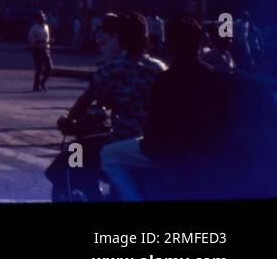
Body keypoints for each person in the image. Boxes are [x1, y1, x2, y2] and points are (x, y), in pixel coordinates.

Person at [105, 17, 277, 201]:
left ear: (171, 46)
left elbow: (155, 126)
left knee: (109, 154)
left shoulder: (163, 81)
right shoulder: (215, 78)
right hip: (207, 149)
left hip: (171, 151)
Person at [46, 12, 165, 201]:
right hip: (155, 142)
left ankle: (94, 196)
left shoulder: (114, 68)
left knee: (76, 151)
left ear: (120, 39)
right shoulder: (159, 68)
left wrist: (69, 121)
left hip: (122, 139)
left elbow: (86, 98)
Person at [27, 11, 52, 91]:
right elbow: (30, 40)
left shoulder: (46, 27)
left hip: (45, 49)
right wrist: (38, 41)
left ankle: (42, 82)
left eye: (44, 17)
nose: (43, 19)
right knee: (39, 69)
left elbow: (47, 39)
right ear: (37, 19)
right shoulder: (34, 28)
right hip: (37, 50)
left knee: (50, 68)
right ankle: (36, 86)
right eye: (41, 17)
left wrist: (48, 45)